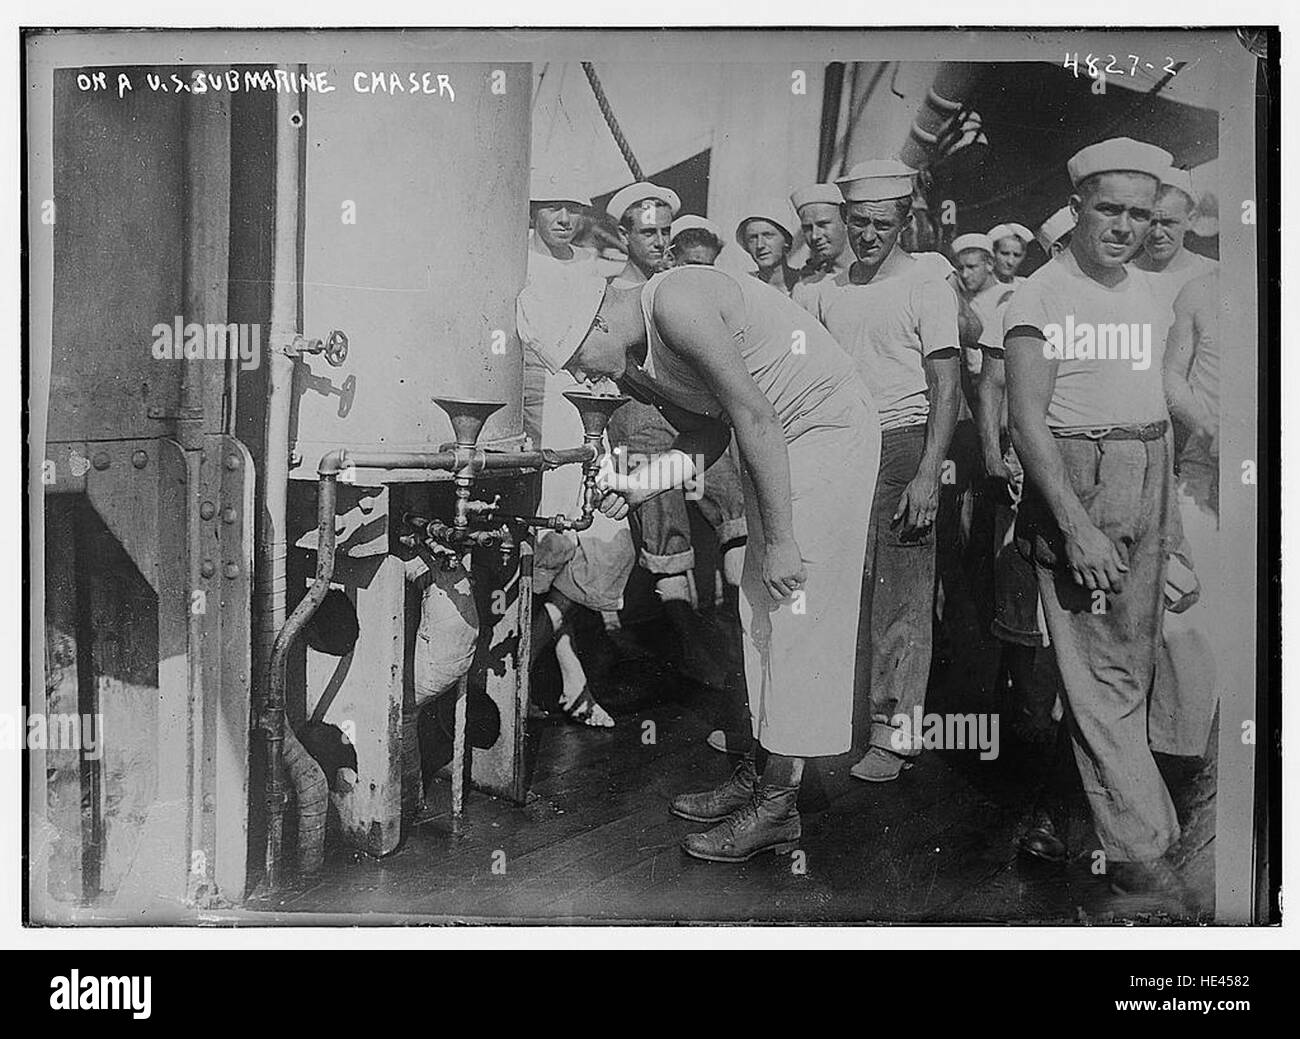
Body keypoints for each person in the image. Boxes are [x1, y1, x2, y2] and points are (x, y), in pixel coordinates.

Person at [516, 260, 880, 863]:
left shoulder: (678, 303)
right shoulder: (638, 360)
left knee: (796, 612)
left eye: (577, 358)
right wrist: (640, 486)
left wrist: (783, 539)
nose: (582, 373)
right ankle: (758, 772)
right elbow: (707, 438)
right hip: (774, 441)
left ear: (597, 321)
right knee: (758, 608)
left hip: (824, 432)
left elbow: (755, 416)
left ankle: (778, 807)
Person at [1003, 137, 1186, 899]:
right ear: (1075, 208)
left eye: (1140, 213)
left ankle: (1055, 813)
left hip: (1151, 469)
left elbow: (1156, 402)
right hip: (1084, 475)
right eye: (1109, 208)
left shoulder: (1150, 292)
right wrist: (1074, 525)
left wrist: (1169, 527)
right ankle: (1149, 854)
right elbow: (1026, 420)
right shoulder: (1039, 295)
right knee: (1106, 669)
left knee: (1124, 665)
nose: (1125, 226)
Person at [797, 159, 961, 783]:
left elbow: (946, 385)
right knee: (840, 585)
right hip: (839, 446)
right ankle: (834, 717)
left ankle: (897, 732)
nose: (867, 235)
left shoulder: (926, 284)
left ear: (904, 221)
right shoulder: (821, 292)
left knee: (903, 591)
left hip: (903, 442)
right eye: (857, 223)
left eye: (880, 224)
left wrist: (927, 474)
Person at [600, 184, 750, 705]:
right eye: (647, 232)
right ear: (623, 236)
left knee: (734, 508)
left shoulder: (681, 284)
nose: (661, 241)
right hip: (637, 417)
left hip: (694, 415)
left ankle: (740, 642)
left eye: (666, 231)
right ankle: (693, 651)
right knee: (665, 534)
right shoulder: (609, 295)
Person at [517, 260, 635, 728]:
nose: (563, 219)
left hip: (583, 412)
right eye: (553, 208)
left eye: (571, 208)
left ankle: (544, 673)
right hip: (542, 414)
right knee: (550, 553)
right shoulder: (519, 261)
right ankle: (531, 679)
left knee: (603, 545)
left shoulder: (587, 269)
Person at [1132, 168, 1218, 313]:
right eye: (1150, 223)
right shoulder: (1119, 277)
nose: (1157, 233)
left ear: (1191, 219)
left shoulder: (1214, 273)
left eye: (1168, 223)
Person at [789, 182, 852, 295]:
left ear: (845, 218)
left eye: (823, 224)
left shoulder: (876, 276)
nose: (815, 236)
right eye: (807, 228)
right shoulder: (806, 289)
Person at [735, 202, 800, 294]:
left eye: (768, 235)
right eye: (753, 238)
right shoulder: (743, 287)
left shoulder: (806, 283)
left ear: (786, 240)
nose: (760, 245)